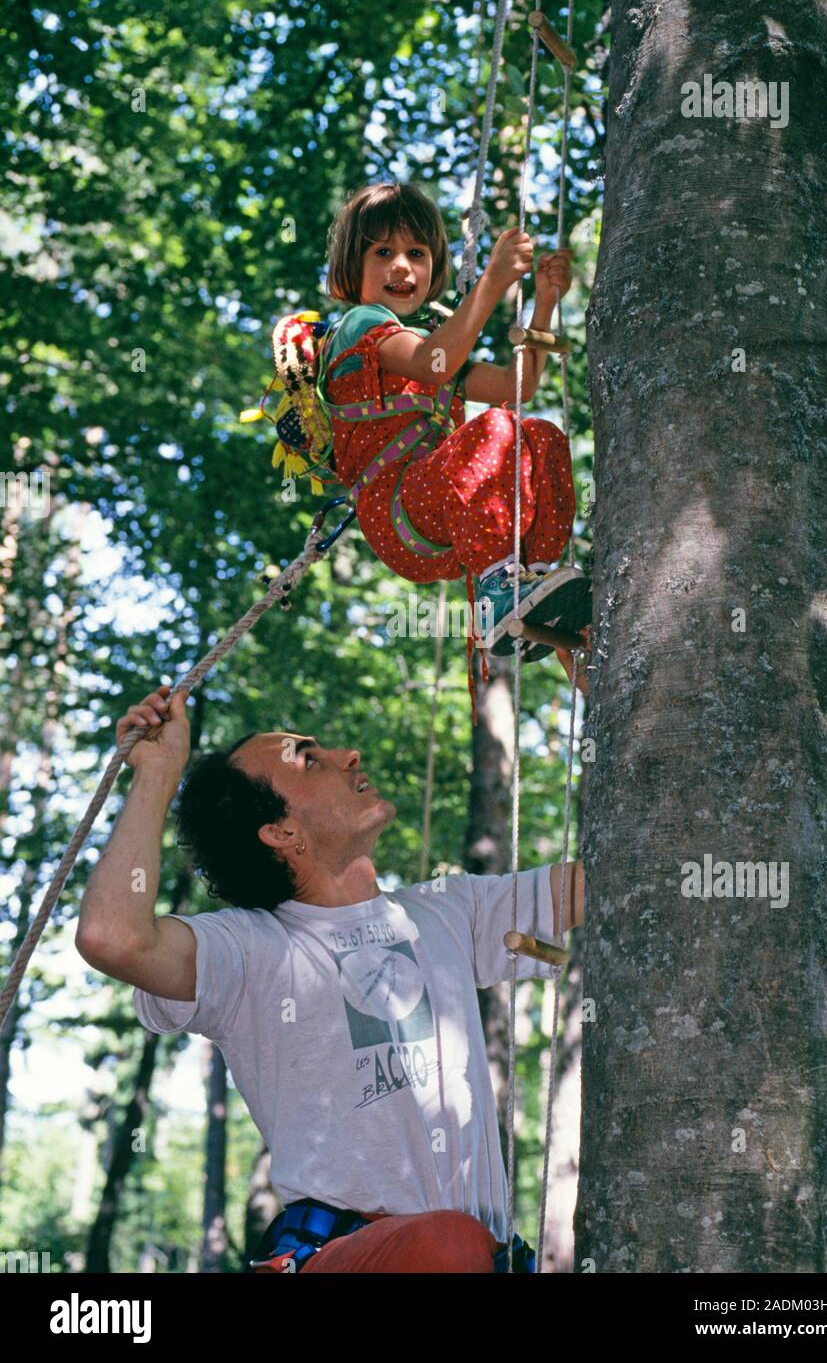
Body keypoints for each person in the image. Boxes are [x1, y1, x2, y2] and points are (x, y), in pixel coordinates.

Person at [75, 680, 588, 1274]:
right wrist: (160, 771)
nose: (349, 757)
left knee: (458, 1247)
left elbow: (617, 873)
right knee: (447, 1245)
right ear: (281, 832)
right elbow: (113, 936)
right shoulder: (250, 948)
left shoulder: (450, 910)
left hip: (478, 1257)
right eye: (307, 760)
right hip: (341, 1252)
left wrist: (597, 668)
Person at [311, 181, 592, 720]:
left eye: (417, 254)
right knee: (495, 431)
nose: (403, 268)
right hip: (399, 509)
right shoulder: (362, 324)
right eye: (383, 253)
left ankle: (537, 589)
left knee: (542, 437)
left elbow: (518, 385)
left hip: (446, 517)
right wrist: (490, 284)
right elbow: (433, 366)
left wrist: (544, 303)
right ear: (354, 265)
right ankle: (500, 592)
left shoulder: (429, 336)